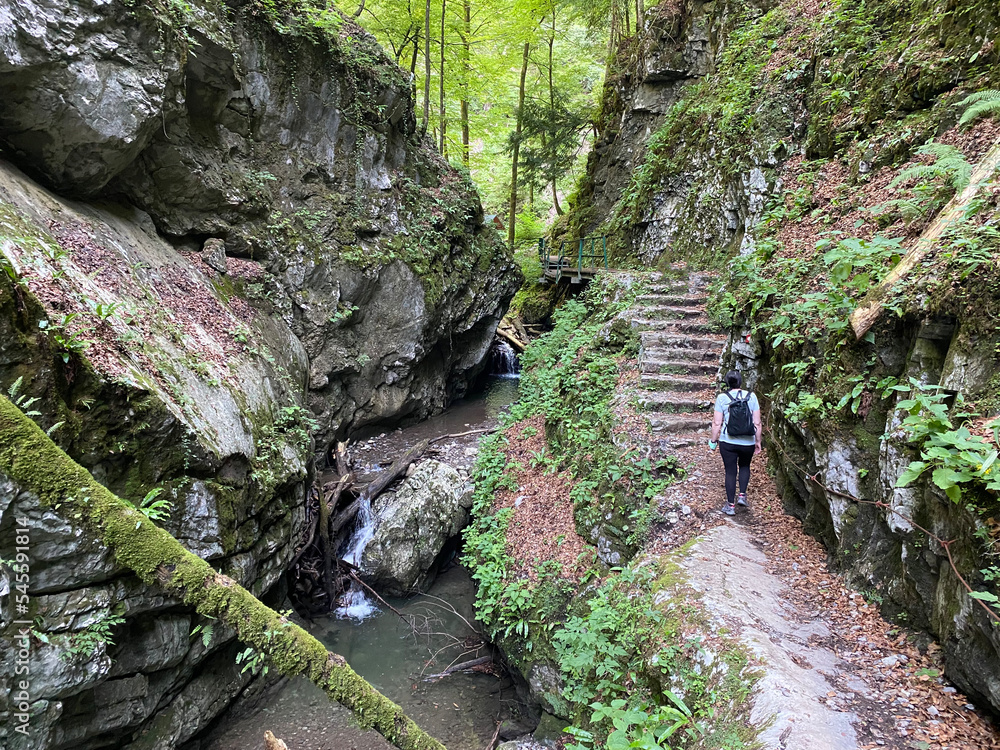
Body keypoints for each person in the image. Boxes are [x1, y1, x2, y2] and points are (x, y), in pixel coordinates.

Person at [708, 370, 762, 516]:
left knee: (730, 472)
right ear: (740, 382)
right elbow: (757, 422)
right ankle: (742, 496)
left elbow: (717, 423)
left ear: (727, 383)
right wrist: (758, 441)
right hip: (748, 441)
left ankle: (730, 506)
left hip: (728, 441)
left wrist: (713, 441)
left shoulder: (722, 398)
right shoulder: (752, 396)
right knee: (745, 466)